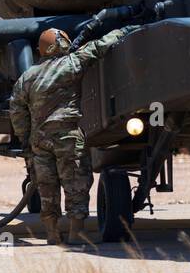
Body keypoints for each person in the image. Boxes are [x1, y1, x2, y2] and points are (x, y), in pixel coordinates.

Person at [10, 25, 137, 244]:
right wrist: (124, 30)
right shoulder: (72, 63)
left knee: (46, 186)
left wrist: (26, 139)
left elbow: (16, 110)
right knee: (76, 183)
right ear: (61, 45)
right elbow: (99, 46)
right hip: (67, 136)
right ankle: (76, 232)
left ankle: (51, 234)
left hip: (39, 140)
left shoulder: (27, 77)